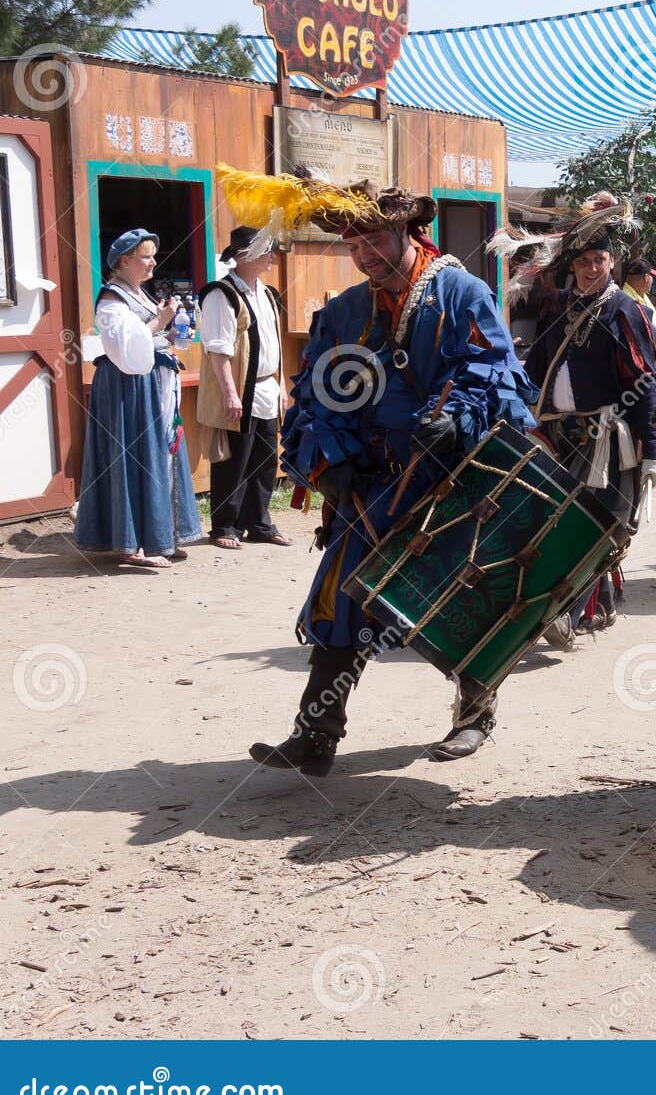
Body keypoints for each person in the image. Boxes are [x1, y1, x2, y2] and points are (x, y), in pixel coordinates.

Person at [237, 176, 539, 777]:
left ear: (404, 229)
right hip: (373, 482)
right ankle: (316, 734)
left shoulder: (460, 291)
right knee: (342, 598)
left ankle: (475, 714)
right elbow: (318, 391)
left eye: (373, 238)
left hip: (457, 476)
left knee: (468, 595)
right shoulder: (345, 310)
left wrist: (456, 419)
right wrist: (334, 455)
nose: (364, 254)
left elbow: (491, 368)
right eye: (353, 246)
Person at [522, 195, 656, 634]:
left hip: (603, 437)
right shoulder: (556, 307)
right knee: (550, 523)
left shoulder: (626, 310)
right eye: (583, 260)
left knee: (592, 526)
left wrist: (653, 450)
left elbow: (644, 384)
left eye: (600, 260)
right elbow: (535, 371)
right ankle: (599, 602)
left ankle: (565, 614)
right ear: (572, 265)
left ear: (613, 262)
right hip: (555, 435)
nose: (591, 269)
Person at [74, 229, 203, 568]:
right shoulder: (112, 300)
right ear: (124, 261)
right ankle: (132, 545)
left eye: (152, 255)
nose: (152, 262)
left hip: (153, 383)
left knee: (160, 453)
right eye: (145, 256)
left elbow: (150, 337)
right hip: (128, 389)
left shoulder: (138, 293)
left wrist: (169, 328)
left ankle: (159, 535)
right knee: (133, 456)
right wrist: (158, 323)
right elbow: (125, 351)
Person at [196, 226, 290, 549]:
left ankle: (259, 522)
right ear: (243, 256)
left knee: (265, 459)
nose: (271, 256)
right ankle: (225, 526)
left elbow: (275, 340)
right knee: (233, 460)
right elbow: (217, 349)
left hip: (266, 387)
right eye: (266, 250)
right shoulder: (221, 295)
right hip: (240, 389)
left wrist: (281, 385)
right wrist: (230, 392)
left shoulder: (265, 293)